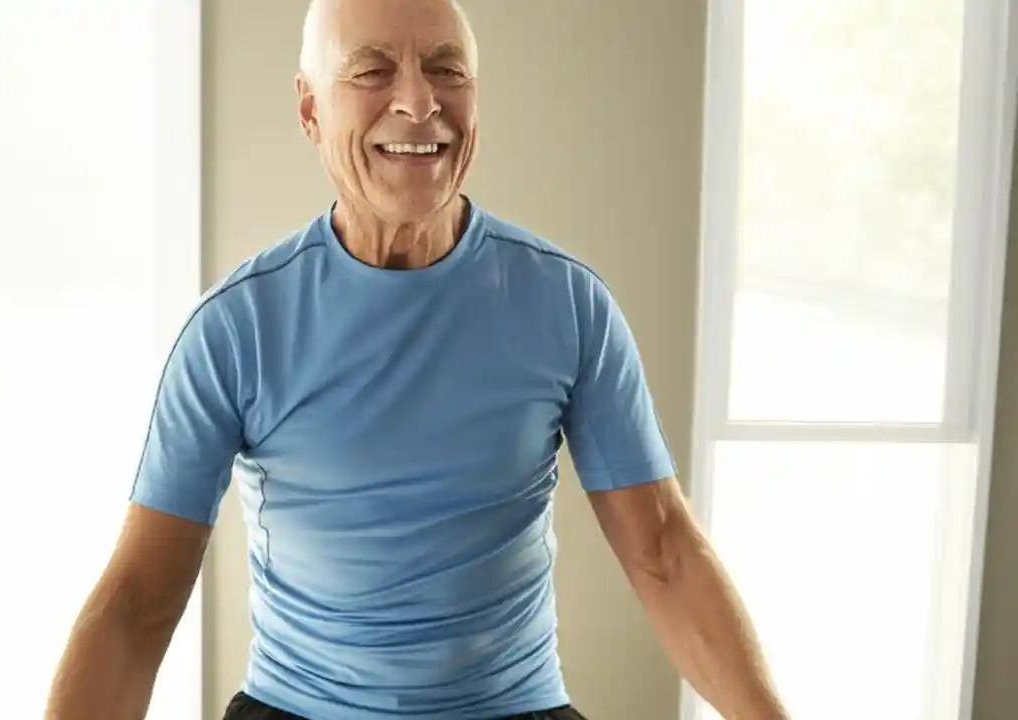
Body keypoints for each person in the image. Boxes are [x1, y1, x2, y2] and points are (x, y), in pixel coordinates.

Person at [46, 0, 789, 718]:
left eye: (447, 70)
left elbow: (664, 552)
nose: (418, 101)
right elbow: (139, 603)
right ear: (310, 110)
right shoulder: (235, 328)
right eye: (371, 71)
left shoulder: (567, 303)